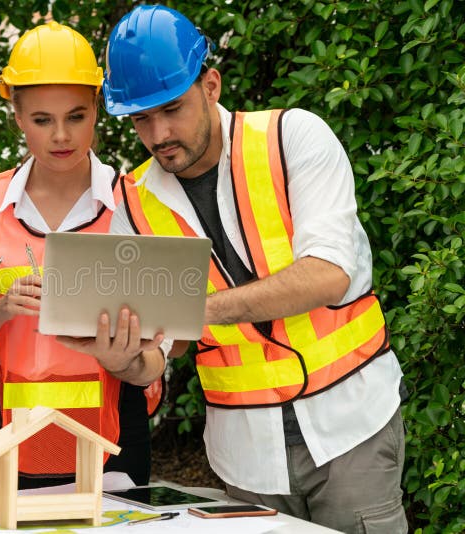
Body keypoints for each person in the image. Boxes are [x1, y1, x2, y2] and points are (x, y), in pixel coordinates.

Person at [78, 5, 407, 533]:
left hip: (352, 428)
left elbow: (328, 273)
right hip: (246, 454)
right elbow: (161, 353)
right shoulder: (132, 207)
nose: (159, 133)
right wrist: (124, 362)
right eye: (141, 118)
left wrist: (191, 308)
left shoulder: (294, 138)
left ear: (211, 85)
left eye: (172, 109)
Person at [0, 21, 168, 493]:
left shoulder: (138, 203)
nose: (60, 136)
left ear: (97, 109)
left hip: (115, 430)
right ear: (16, 115)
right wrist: (2, 308)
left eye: (76, 116)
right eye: (41, 119)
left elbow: (162, 346)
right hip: (8, 427)